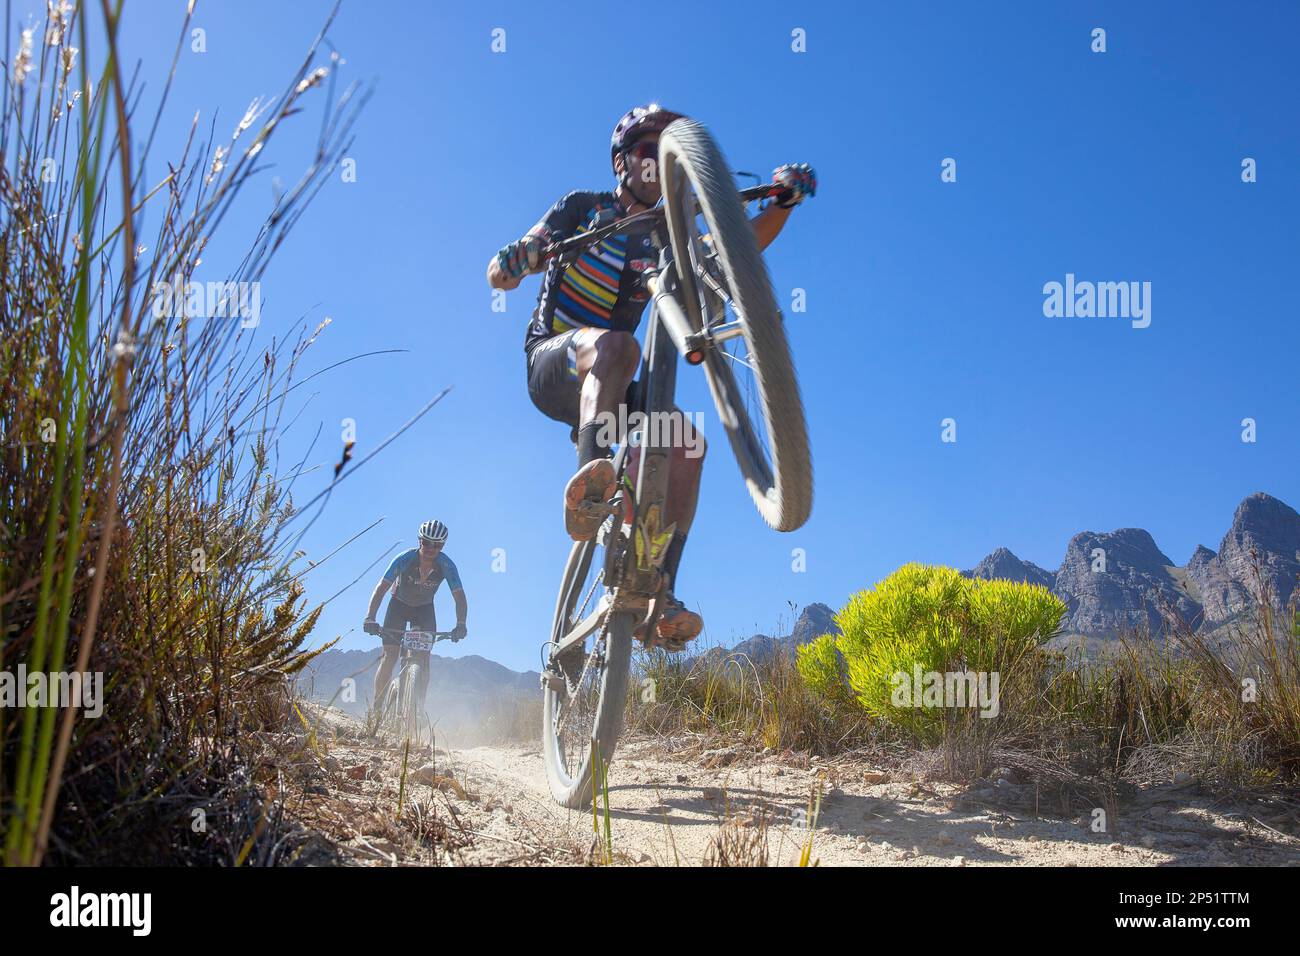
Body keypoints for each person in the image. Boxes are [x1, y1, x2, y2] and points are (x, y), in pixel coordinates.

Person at [486, 103, 816, 650]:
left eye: (663, 157)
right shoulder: (582, 209)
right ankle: (590, 490)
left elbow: (736, 250)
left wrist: (785, 201)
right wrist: (518, 259)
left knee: (686, 444)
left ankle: (658, 595)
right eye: (646, 152)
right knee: (618, 346)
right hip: (556, 365)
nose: (655, 167)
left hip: (615, 383)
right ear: (622, 162)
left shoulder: (666, 238)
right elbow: (501, 272)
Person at [362, 520, 468, 706]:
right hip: (398, 606)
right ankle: (377, 710)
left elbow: (459, 597)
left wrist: (461, 624)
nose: (430, 548)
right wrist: (370, 617)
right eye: (427, 542)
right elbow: (381, 589)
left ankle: (417, 708)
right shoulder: (404, 559)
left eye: (436, 545)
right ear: (420, 541)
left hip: (425, 609)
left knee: (424, 659)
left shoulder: (447, 566)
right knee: (390, 657)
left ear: (442, 546)